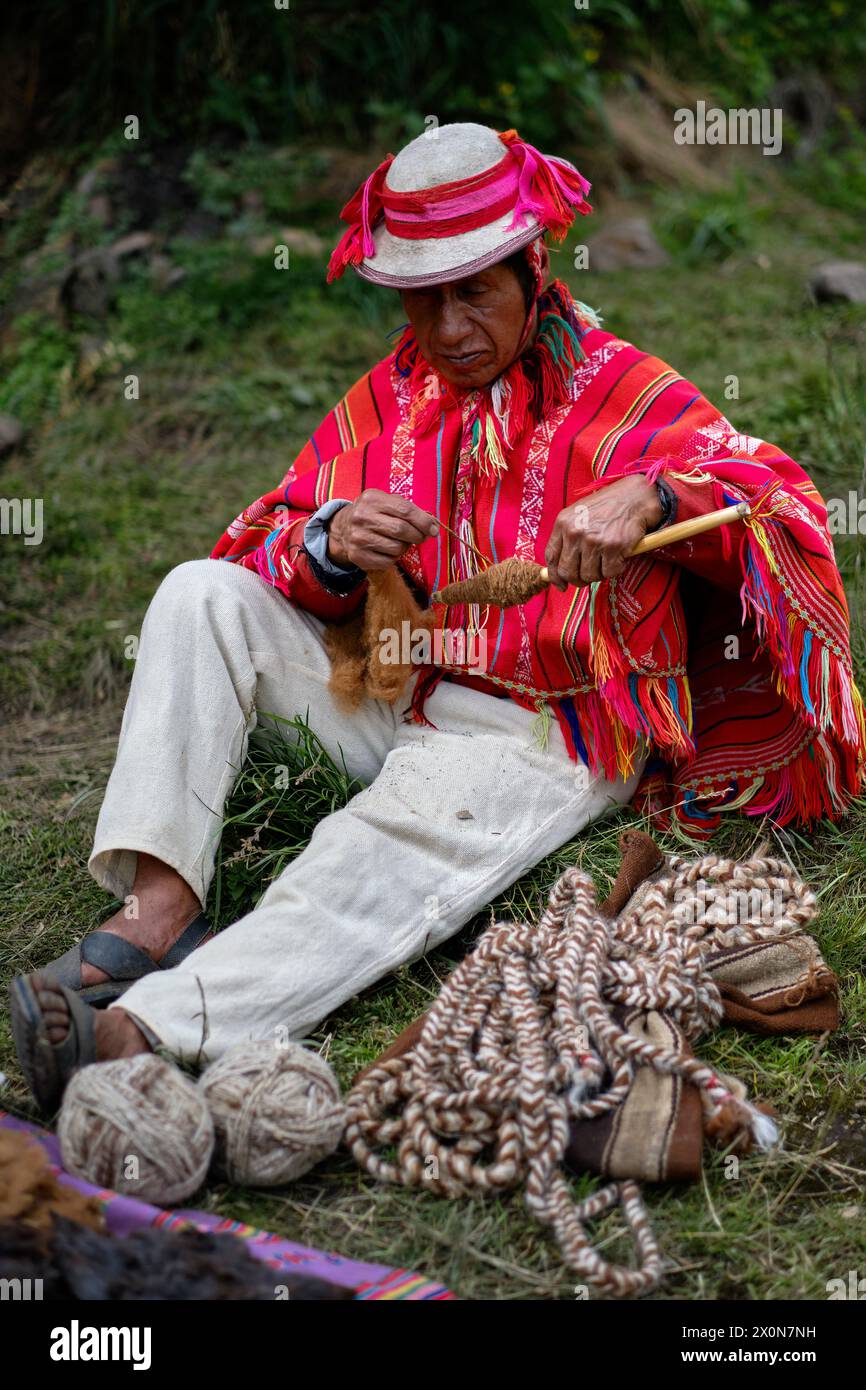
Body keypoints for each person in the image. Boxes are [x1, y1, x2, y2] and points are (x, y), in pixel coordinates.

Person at [11, 123, 863, 1111]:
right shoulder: (388, 398)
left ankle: (156, 1026)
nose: (451, 326)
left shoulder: (624, 390)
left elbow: (772, 498)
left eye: (475, 291)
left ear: (531, 270)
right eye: (425, 297)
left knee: (384, 843)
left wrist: (649, 501)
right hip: (390, 688)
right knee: (195, 593)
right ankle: (162, 904)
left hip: (549, 724)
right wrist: (331, 544)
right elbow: (267, 536)